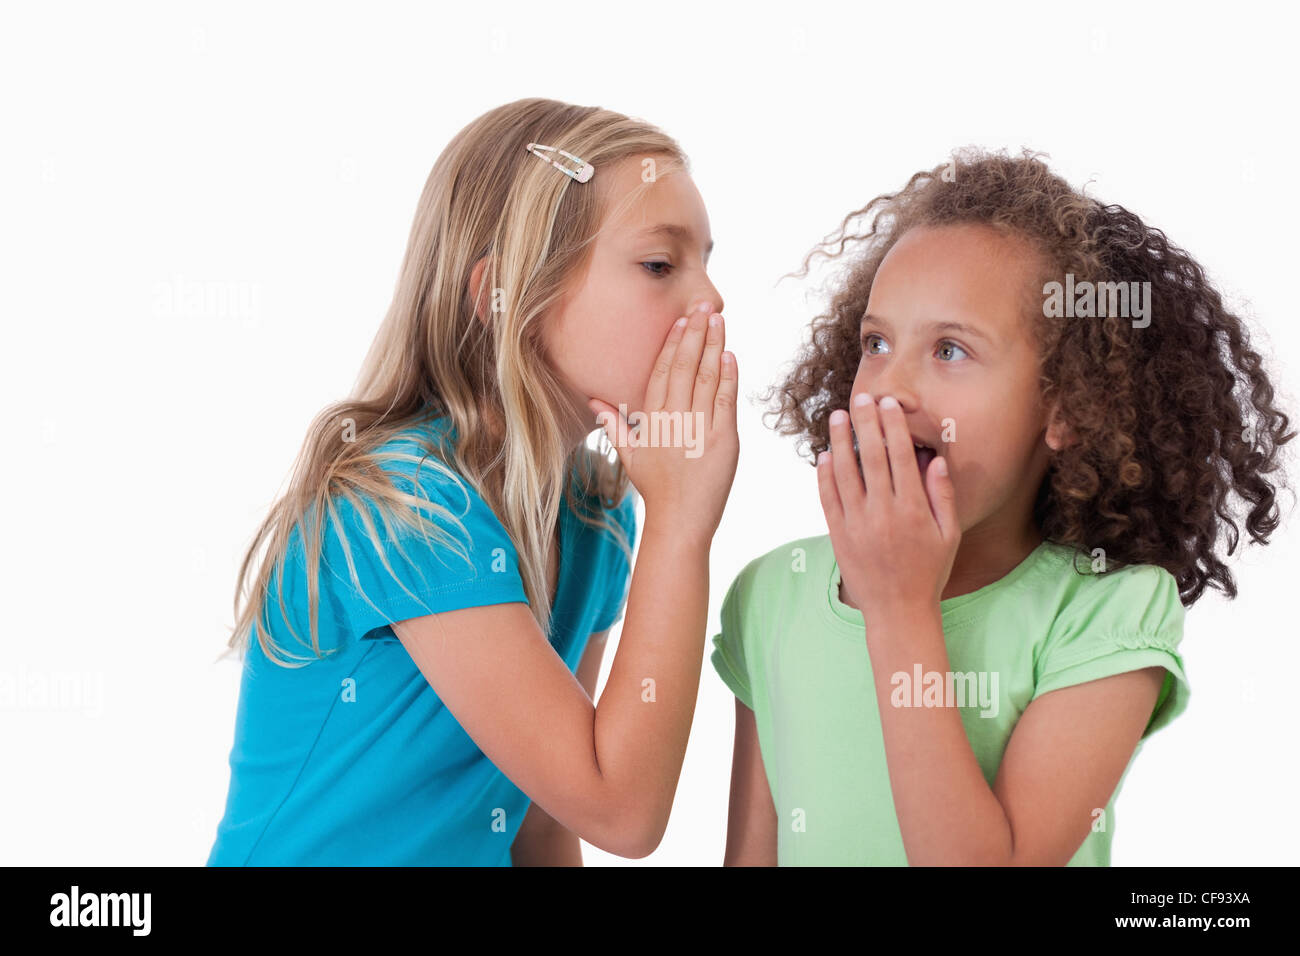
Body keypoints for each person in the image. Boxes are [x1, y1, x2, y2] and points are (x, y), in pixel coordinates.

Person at [713, 148, 1292, 865]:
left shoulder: (1107, 614)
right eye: (877, 341)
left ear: (1066, 405)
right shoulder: (770, 596)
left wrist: (901, 609)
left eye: (950, 350)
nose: (887, 386)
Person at [208, 97, 738, 865]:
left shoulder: (595, 519)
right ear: (508, 296)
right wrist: (684, 526)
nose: (710, 300)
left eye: (706, 263)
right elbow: (621, 809)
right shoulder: (405, 503)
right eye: (660, 265)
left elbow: (549, 816)